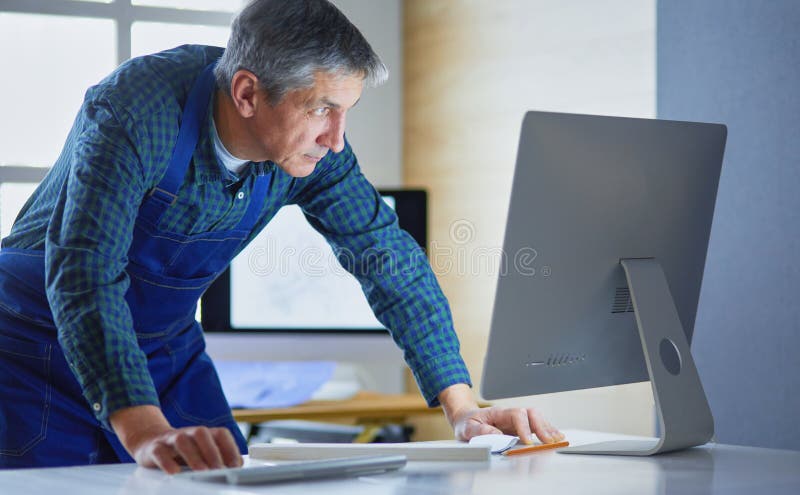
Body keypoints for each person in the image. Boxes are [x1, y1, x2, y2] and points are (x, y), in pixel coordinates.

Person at [0, 0, 563, 472]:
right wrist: (145, 430)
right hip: (32, 343)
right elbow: (85, 276)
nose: (337, 140)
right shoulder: (135, 110)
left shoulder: (313, 154)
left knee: (230, 484)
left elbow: (389, 258)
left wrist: (463, 409)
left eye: (346, 112)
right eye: (322, 109)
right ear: (247, 94)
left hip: (164, 349)